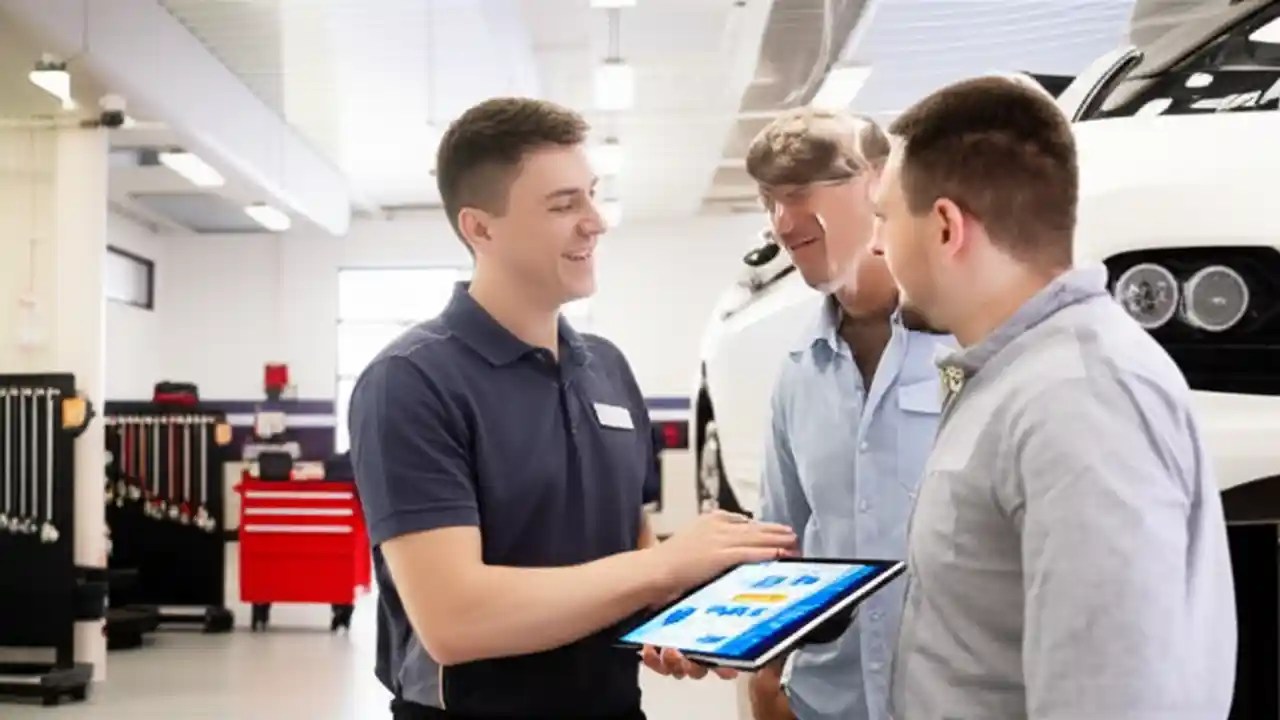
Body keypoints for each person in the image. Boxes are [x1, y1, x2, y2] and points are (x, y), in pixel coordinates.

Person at [347, 97, 797, 720]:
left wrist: (699, 621)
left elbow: (633, 553)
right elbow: (455, 619)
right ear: (480, 228)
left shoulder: (607, 368)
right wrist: (665, 566)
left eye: (591, 194)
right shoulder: (411, 382)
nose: (596, 221)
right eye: (564, 204)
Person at [868, 75, 1237, 719]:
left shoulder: (1078, 399)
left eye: (885, 217)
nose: (876, 245)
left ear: (948, 226)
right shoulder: (1019, 380)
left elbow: (1113, 703)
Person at [742, 107, 951, 720]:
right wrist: (763, 682)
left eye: (800, 193)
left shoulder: (968, 343)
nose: (782, 222)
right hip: (827, 703)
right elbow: (780, 542)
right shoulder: (799, 372)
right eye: (768, 201)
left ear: (879, 182)